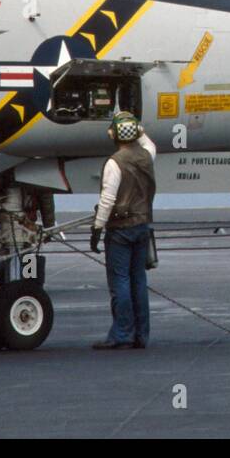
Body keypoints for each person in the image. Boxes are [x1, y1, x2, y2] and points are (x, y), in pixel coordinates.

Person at [91, 112, 156, 350]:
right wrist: (135, 123)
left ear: (113, 135)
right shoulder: (147, 156)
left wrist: (97, 228)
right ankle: (141, 335)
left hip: (120, 231)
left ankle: (122, 334)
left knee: (120, 281)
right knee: (139, 280)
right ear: (137, 133)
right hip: (142, 226)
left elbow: (107, 200)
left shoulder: (114, 163)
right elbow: (149, 143)